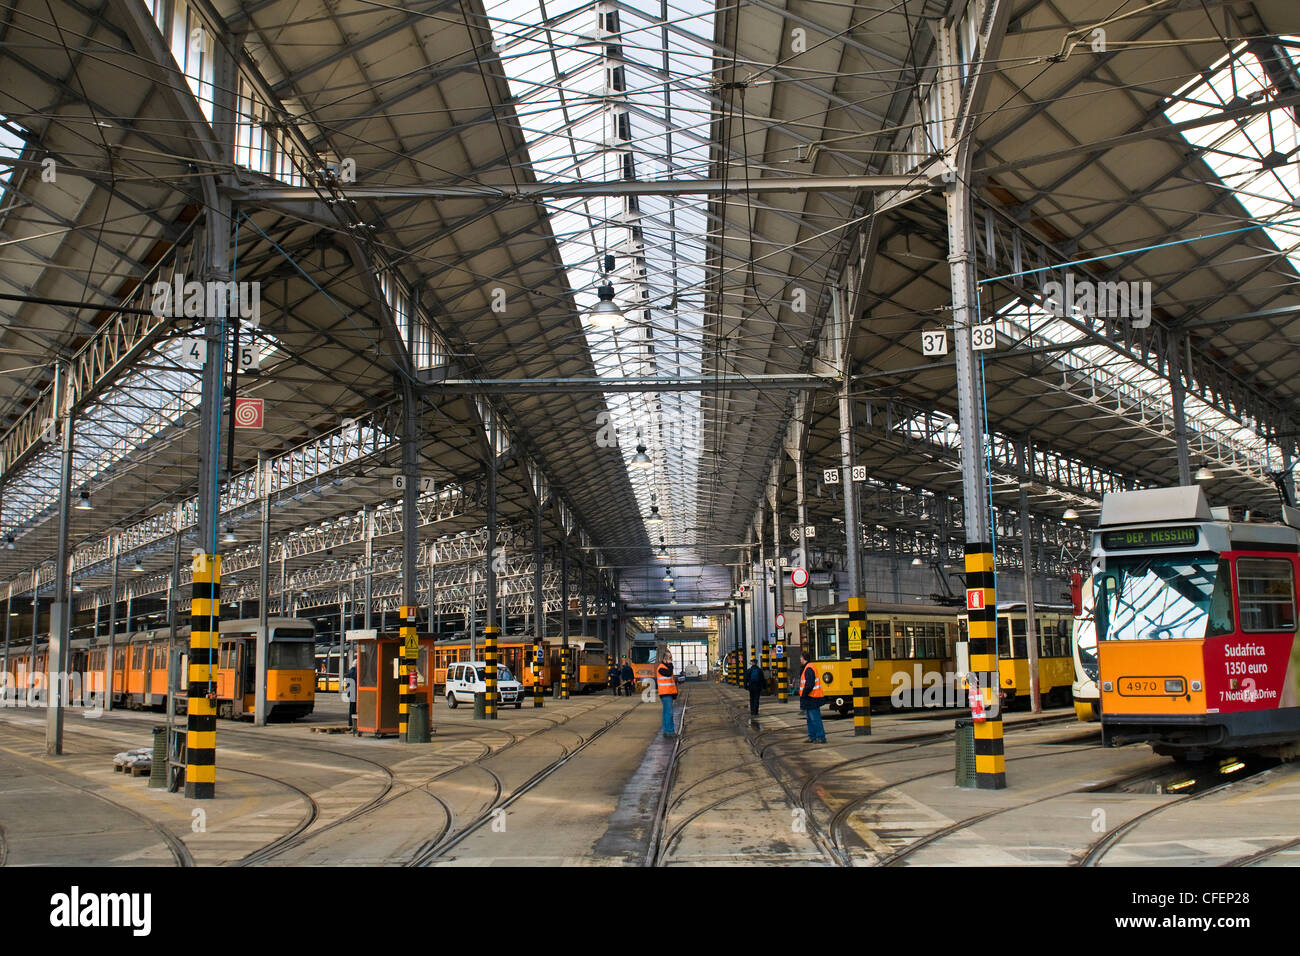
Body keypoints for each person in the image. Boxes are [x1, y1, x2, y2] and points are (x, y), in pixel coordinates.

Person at [797, 650, 826, 744]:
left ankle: (820, 737)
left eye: (801, 657)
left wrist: (804, 693)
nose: (800, 659)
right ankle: (812, 736)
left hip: (812, 698)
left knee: (815, 718)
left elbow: (809, 684)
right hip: (810, 698)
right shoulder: (808, 667)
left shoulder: (809, 668)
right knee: (810, 719)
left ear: (803, 658)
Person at [656, 648, 678, 737]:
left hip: (668, 693)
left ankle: (666, 731)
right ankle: (670, 731)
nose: (671, 660)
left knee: (666, 712)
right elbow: (668, 673)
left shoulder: (664, 667)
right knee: (669, 713)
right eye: (670, 658)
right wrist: (670, 664)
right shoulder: (661, 668)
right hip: (665, 693)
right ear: (665, 659)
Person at [345, 660, 358, 734]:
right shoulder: (354, 672)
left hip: (351, 693)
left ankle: (350, 724)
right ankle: (352, 724)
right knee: (353, 709)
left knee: (351, 709)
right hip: (354, 693)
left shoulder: (350, 671)